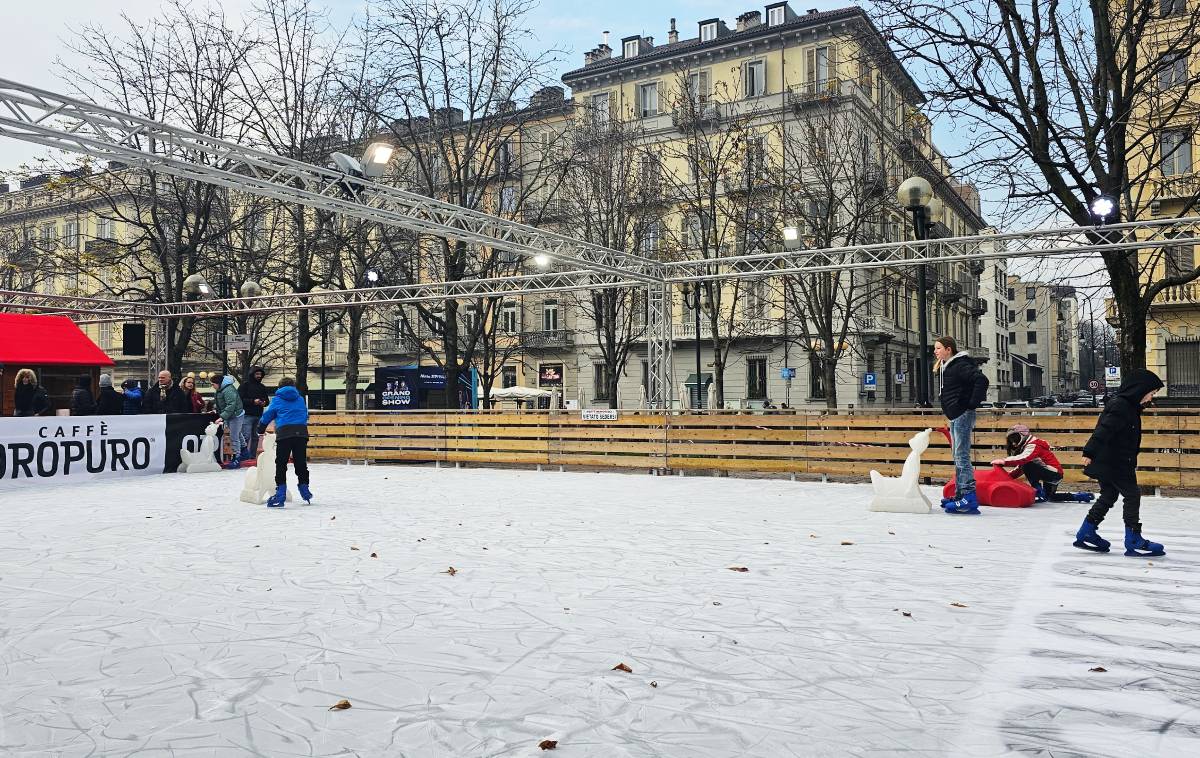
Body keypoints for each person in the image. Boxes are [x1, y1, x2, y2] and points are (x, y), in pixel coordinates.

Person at [1074, 369, 1166, 557]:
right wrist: (1089, 451)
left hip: (1111, 461)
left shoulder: (1129, 406)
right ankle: (1133, 539)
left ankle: (1086, 531)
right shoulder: (1121, 406)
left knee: (1109, 494)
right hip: (1115, 462)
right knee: (1132, 495)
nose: (1151, 397)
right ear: (1140, 389)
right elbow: (1104, 429)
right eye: (1152, 392)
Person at [933, 335, 989, 514]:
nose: (935, 351)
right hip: (955, 415)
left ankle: (968, 496)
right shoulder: (948, 366)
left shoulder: (960, 365)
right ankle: (960, 494)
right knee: (957, 456)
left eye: (938, 348)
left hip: (962, 414)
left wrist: (970, 404)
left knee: (962, 456)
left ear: (949, 349)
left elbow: (981, 380)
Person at [990, 424, 1094, 503]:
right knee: (1050, 498)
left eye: (1015, 439)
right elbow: (1019, 468)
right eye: (1011, 440)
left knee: (1027, 464)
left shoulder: (1033, 445)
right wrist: (1004, 477)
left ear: (1023, 435)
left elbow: (1024, 459)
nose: (1013, 443)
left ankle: (1038, 491)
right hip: (1052, 474)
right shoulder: (1028, 446)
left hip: (1053, 474)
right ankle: (1080, 496)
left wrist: (1004, 461)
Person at [257, 377, 312, 507]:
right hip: (301, 432)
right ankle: (304, 488)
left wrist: (261, 428)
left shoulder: (277, 399)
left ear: (279, 387)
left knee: (281, 463)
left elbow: (268, 415)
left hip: (285, 433)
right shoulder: (300, 398)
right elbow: (305, 414)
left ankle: (280, 492)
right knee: (300, 462)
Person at [212, 373, 246, 469]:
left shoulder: (228, 390)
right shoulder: (221, 389)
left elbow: (231, 405)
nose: (212, 386)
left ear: (218, 383)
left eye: (213, 384)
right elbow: (221, 403)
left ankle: (236, 458)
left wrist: (222, 417)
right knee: (237, 433)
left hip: (236, 414)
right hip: (231, 415)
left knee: (234, 436)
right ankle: (244, 451)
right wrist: (216, 410)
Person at [239, 366, 269, 461]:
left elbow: (267, 400)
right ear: (252, 374)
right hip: (247, 415)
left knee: (255, 437)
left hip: (258, 415)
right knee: (246, 436)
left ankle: (252, 456)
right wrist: (253, 401)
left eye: (260, 374)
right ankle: (242, 455)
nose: (259, 376)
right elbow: (239, 399)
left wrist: (264, 402)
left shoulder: (262, 387)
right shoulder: (245, 385)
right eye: (257, 374)